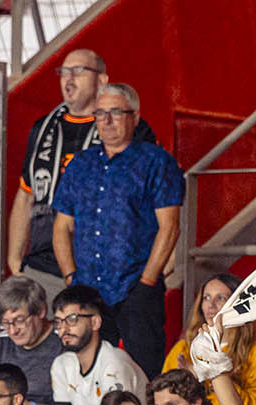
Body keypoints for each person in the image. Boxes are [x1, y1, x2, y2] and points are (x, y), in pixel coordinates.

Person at [51, 82, 181, 376]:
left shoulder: (156, 162)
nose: (106, 121)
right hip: (86, 290)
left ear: (134, 116)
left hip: (137, 287)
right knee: (87, 370)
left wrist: (147, 280)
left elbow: (170, 227)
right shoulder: (80, 165)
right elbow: (62, 227)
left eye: (115, 113)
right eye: (100, 113)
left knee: (145, 371)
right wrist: (71, 277)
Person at [9, 50, 154, 293]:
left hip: (102, 271)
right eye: (63, 72)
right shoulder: (43, 128)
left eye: (78, 71)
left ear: (102, 80)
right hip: (42, 269)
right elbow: (25, 195)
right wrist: (15, 263)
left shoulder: (128, 128)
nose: (69, 78)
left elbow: (154, 197)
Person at [51, 284, 157, 405]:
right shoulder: (61, 365)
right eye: (58, 322)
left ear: (95, 322)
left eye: (72, 320)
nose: (63, 329)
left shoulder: (114, 364)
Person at [164, 273, 256, 405]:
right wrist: (187, 382)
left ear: (238, 304)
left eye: (221, 298)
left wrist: (212, 374)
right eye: (206, 298)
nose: (211, 305)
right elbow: (164, 402)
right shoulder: (183, 348)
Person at [0, 276, 66, 405]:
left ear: (41, 311)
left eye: (19, 320)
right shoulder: (1, 344)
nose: (13, 331)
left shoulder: (64, 344)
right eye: (6, 323)